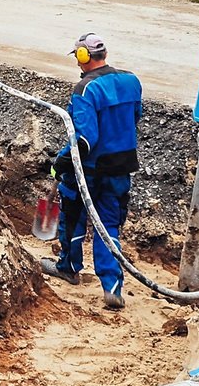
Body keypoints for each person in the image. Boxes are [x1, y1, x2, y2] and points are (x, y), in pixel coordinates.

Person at [41, 32, 143, 310]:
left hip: (88, 170)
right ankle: (112, 287)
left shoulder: (85, 89)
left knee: (73, 219)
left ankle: (69, 268)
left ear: (84, 57)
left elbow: (85, 139)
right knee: (108, 226)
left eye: (78, 57)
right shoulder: (131, 81)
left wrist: (61, 163)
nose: (77, 63)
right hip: (121, 168)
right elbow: (135, 118)